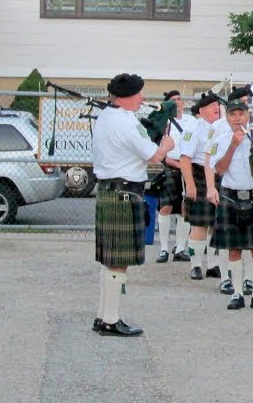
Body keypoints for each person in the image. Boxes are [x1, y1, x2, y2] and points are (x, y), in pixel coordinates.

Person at [90, 73, 175, 337]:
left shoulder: (105, 116)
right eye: (138, 94)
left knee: (109, 259)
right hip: (125, 192)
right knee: (119, 260)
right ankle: (111, 320)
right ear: (126, 97)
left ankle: (103, 315)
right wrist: (166, 144)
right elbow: (153, 155)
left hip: (109, 191)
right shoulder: (126, 122)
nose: (141, 98)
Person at [211, 98, 253, 312]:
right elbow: (219, 170)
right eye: (233, 114)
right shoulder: (221, 138)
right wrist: (233, 145)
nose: (237, 118)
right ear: (227, 117)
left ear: (247, 115)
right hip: (231, 195)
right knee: (234, 249)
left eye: (241, 113)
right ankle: (237, 293)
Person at [180, 91, 223, 281]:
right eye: (212, 105)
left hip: (219, 176)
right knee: (199, 224)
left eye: (218, 105)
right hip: (198, 175)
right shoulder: (194, 129)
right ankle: (196, 266)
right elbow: (184, 159)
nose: (217, 108)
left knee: (215, 224)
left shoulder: (222, 128)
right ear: (202, 109)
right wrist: (190, 184)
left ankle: (213, 266)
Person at [154, 90, 196, 264]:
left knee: (184, 209)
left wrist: (187, 167)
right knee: (166, 207)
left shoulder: (192, 122)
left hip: (189, 167)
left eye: (179, 99)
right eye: (173, 100)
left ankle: (180, 248)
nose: (178, 102)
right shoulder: (164, 123)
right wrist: (178, 165)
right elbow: (159, 151)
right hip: (171, 167)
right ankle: (163, 248)